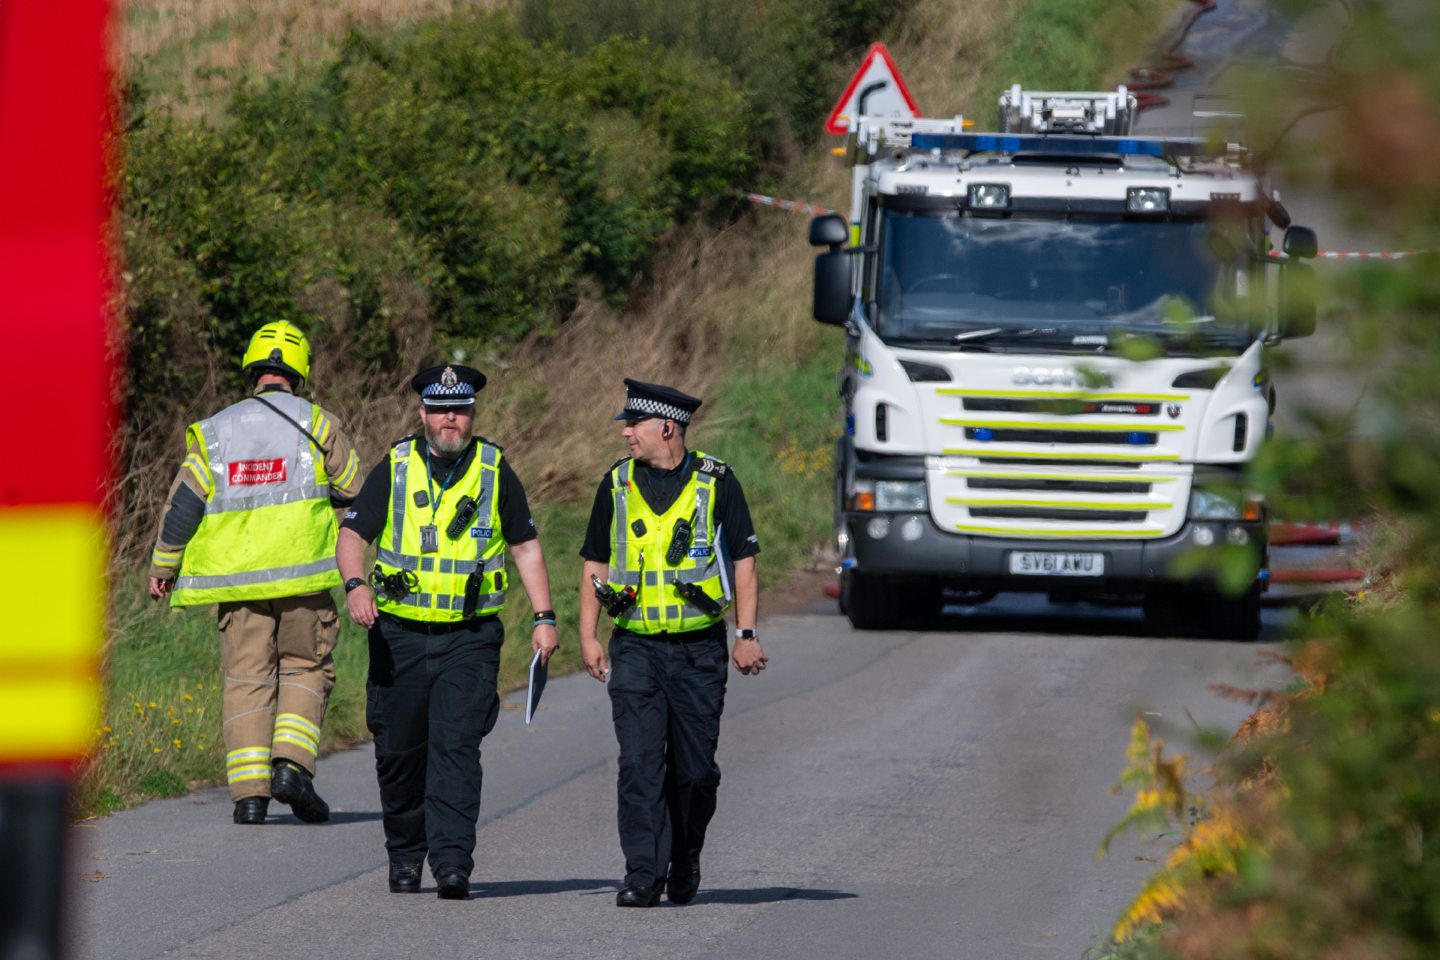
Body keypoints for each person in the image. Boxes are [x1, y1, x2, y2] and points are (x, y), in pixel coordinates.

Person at [336, 363, 559, 901]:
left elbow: (525, 546)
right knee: (399, 754)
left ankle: (453, 862)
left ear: (472, 415)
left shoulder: (494, 469)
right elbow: (352, 536)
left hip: (469, 639)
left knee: (456, 748)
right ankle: (405, 855)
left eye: (459, 410)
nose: (449, 420)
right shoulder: (396, 466)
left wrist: (544, 618)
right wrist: (356, 585)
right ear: (423, 414)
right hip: (399, 637)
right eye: (439, 411)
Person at [147, 320, 363, 826]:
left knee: (246, 680)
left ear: (252, 370)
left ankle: (249, 797)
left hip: (238, 584)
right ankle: (291, 767)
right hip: (303, 579)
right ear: (299, 373)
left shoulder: (215, 431)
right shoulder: (318, 423)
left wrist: (163, 565)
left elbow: (183, 504)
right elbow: (353, 486)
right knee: (305, 668)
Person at [578, 379, 768, 908]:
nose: (625, 432)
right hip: (635, 647)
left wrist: (746, 634)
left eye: (633, 424)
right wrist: (587, 634)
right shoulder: (616, 483)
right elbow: (595, 560)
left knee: (696, 773)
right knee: (639, 765)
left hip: (698, 651)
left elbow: (744, 560)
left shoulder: (717, 482)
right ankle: (643, 873)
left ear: (667, 427)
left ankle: (685, 856)